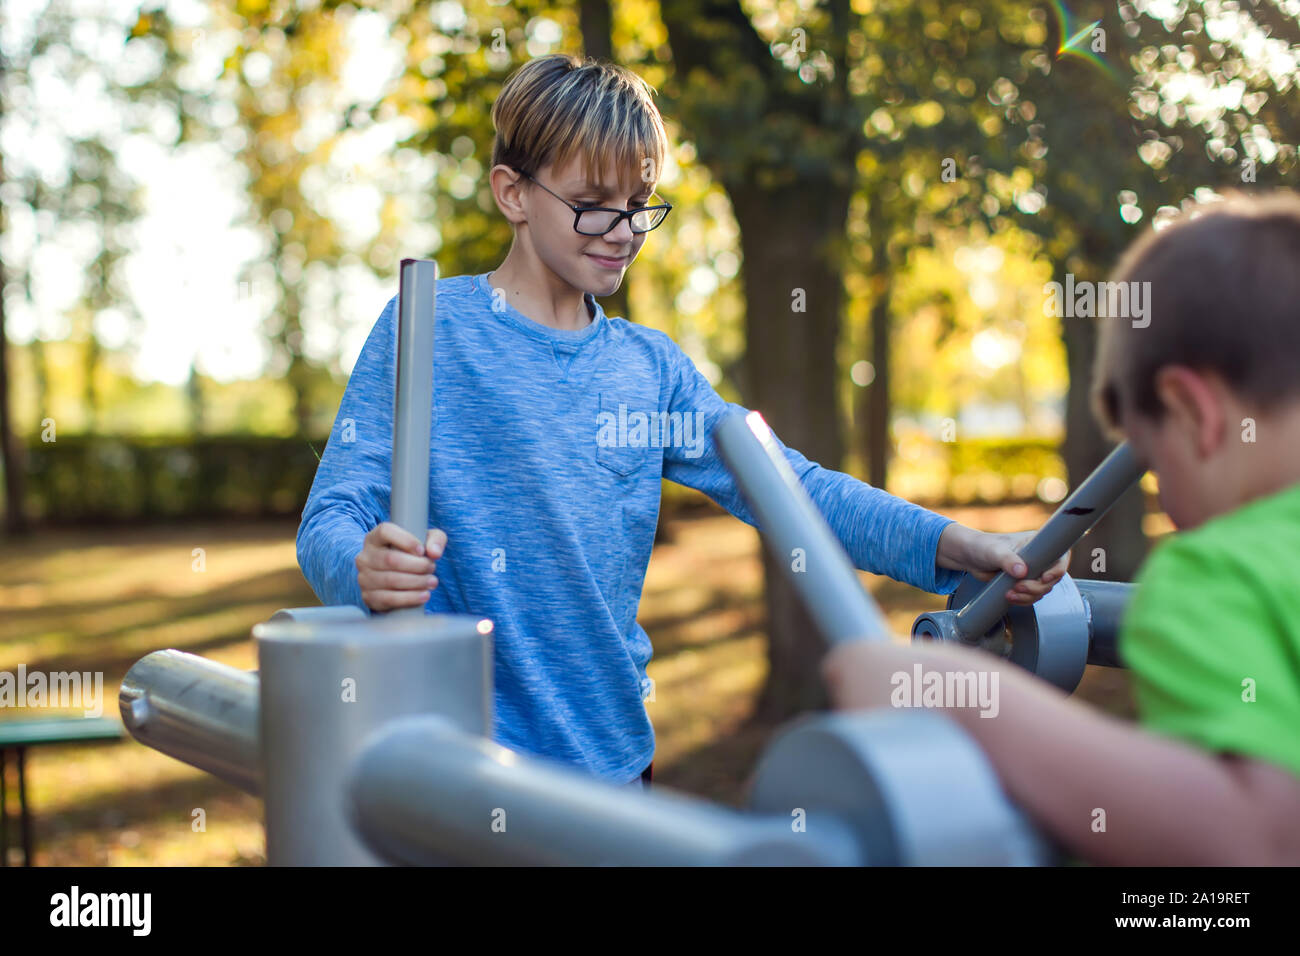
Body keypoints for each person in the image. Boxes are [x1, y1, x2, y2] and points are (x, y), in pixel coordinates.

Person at [297, 54, 1066, 791]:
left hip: (612, 766)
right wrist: (361, 566)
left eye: (640, 202)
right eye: (594, 201)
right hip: (451, 768)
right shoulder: (428, 328)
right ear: (514, 194)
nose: (624, 229)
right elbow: (330, 516)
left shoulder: (651, 371)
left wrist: (954, 545)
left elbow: (790, 489)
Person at [823, 191, 1300, 864]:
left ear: (1194, 413)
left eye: (1152, 460)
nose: (1164, 494)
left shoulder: (1222, 573)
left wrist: (959, 693)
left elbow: (1251, 844)